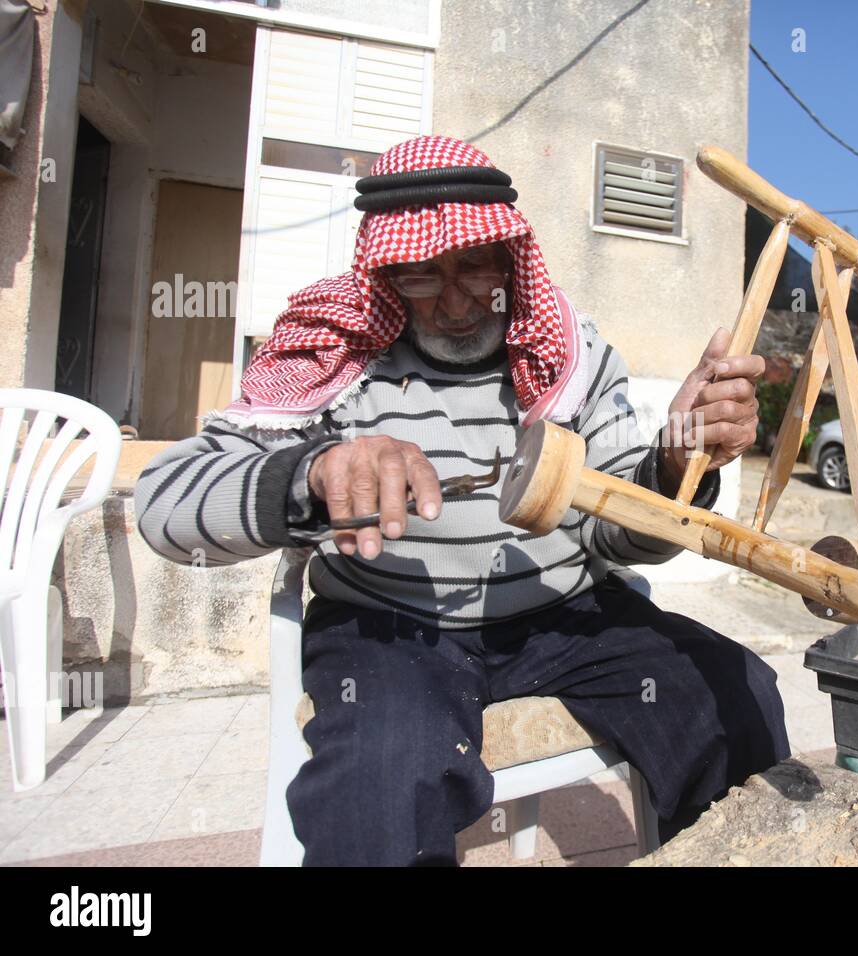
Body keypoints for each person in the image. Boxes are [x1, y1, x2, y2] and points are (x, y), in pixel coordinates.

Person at [134, 134, 790, 866]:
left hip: (567, 619)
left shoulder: (572, 360)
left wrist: (677, 459)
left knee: (736, 696)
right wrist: (312, 474)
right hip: (391, 630)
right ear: (384, 272)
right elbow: (164, 504)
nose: (453, 301)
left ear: (512, 260)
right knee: (378, 780)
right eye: (419, 274)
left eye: (476, 264)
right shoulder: (333, 361)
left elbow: (621, 538)